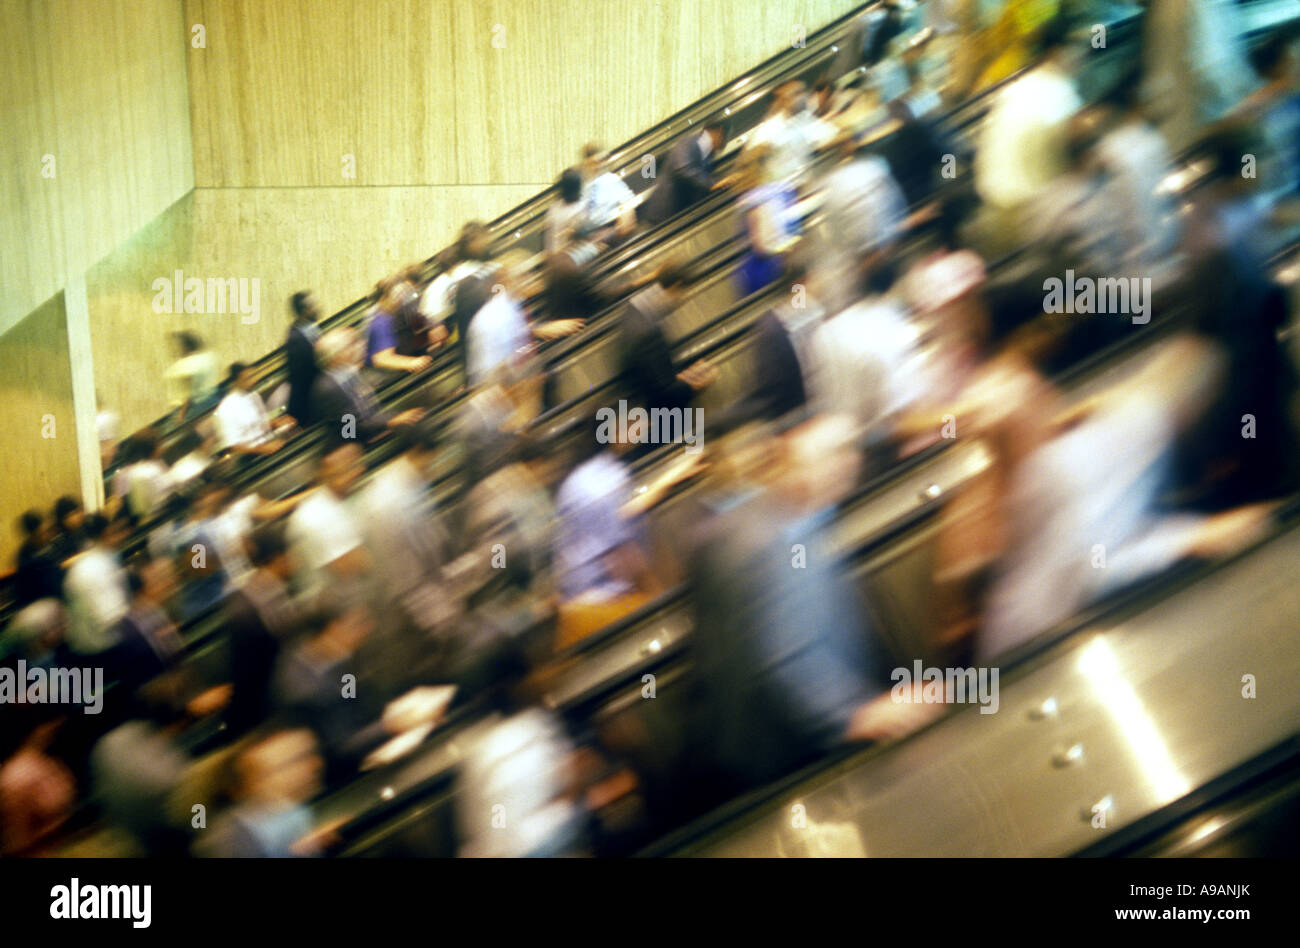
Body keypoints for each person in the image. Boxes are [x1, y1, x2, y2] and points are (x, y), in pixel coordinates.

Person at [686, 415, 937, 794]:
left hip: (737, 752)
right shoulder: (793, 542)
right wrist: (856, 715)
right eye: (838, 455)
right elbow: (788, 656)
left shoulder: (733, 525)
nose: (850, 463)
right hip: (798, 760)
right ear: (798, 466)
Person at [195, 728, 328, 857]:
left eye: (311, 753)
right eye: (297, 760)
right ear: (258, 780)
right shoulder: (224, 843)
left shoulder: (295, 814)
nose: (316, 765)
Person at [223, 523, 300, 737]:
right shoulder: (252, 607)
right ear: (279, 558)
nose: (298, 560)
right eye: (293, 553)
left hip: (278, 699)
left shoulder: (269, 590)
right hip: (267, 714)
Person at [616, 261, 716, 420]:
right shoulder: (649, 332)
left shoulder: (634, 307)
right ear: (676, 287)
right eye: (684, 293)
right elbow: (663, 393)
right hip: (656, 419)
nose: (683, 300)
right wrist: (693, 384)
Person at [286, 442, 370, 607]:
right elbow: (350, 567)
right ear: (325, 469)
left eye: (356, 462)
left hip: (358, 602)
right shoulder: (313, 514)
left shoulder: (348, 501)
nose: (356, 470)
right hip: (333, 611)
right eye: (347, 464)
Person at [310, 327, 424, 445]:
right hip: (357, 446)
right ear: (335, 355)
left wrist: (395, 418)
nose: (361, 346)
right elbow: (349, 429)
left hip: (376, 432)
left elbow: (369, 412)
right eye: (352, 344)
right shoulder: (328, 387)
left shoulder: (348, 374)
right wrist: (391, 421)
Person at [734, 146, 801, 297]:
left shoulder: (751, 197)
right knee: (799, 311)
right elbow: (764, 245)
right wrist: (791, 245)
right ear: (766, 166)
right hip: (771, 273)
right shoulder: (763, 198)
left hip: (754, 274)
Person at [62, 512, 130, 657]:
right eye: (116, 532)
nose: (122, 537)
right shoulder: (96, 568)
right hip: (100, 652)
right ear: (107, 534)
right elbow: (113, 618)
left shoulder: (84, 563)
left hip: (84, 647)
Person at [640, 120, 728, 225]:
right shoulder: (688, 143)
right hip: (664, 213)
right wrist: (713, 184)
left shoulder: (709, 155)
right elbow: (683, 169)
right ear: (719, 132)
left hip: (679, 214)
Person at [213, 362, 291, 459]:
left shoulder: (254, 395)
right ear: (235, 382)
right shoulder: (226, 409)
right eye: (247, 379)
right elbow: (234, 446)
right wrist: (263, 449)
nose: (253, 381)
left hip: (268, 446)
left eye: (253, 376)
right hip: (249, 459)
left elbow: (260, 424)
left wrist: (277, 423)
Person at [579, 142, 637, 245]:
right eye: (594, 162)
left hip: (609, 233)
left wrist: (626, 212)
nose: (599, 165)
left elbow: (628, 200)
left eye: (601, 161)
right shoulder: (582, 186)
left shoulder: (610, 179)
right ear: (586, 164)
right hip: (587, 238)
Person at [163, 331, 221, 421]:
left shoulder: (189, 363)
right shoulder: (209, 357)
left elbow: (189, 393)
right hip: (214, 398)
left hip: (201, 405)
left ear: (185, 347)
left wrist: (181, 414)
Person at [284, 291, 323, 427]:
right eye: (313, 306)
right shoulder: (295, 339)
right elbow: (301, 379)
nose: (317, 308)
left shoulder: (312, 328)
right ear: (304, 310)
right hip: (311, 404)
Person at [12, 511, 61, 607]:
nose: (47, 535)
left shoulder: (50, 544)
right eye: (42, 533)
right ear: (32, 535)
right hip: (41, 603)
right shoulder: (25, 556)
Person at [544, 167, 589, 253]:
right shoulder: (584, 206)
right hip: (575, 256)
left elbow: (549, 237)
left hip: (556, 255)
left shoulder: (554, 208)